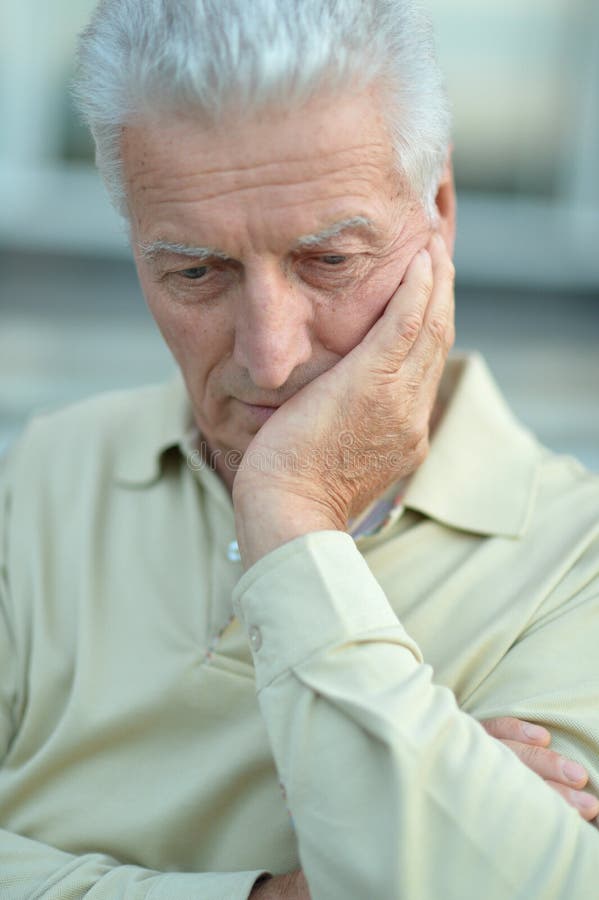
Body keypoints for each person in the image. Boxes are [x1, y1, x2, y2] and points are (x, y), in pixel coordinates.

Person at [1, 1, 598, 897]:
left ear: (437, 214)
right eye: (195, 272)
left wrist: (288, 516)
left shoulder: (578, 563)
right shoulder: (45, 472)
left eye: (328, 261)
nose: (268, 353)